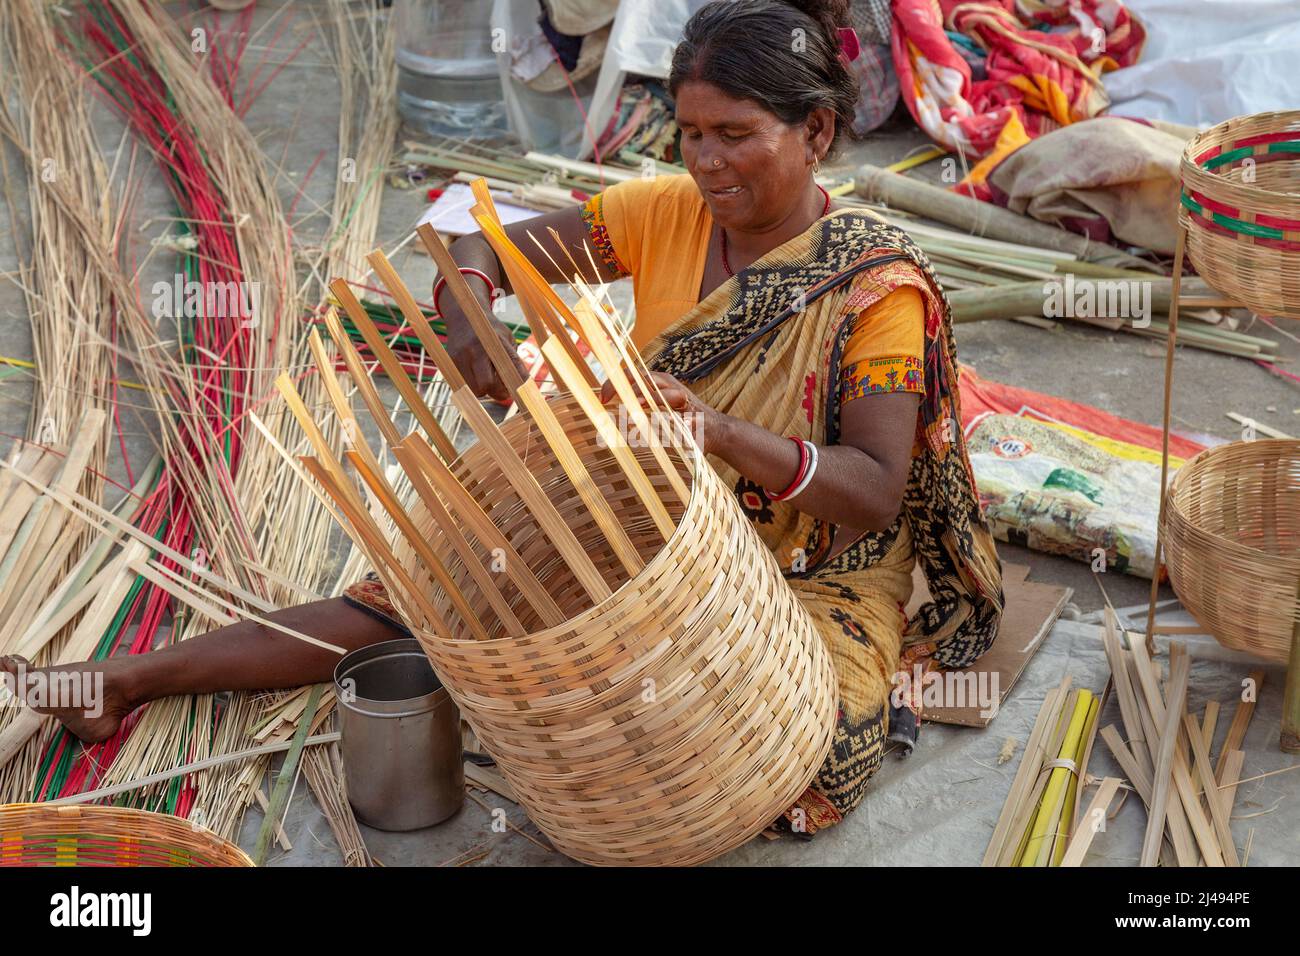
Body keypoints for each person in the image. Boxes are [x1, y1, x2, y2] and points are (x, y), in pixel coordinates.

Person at [1, 0, 1001, 835]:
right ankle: (122, 681)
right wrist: (474, 320)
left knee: (773, 739)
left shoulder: (875, 291)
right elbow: (468, 246)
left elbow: (872, 494)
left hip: (801, 563)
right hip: (653, 506)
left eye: (736, 134)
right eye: (691, 133)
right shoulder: (662, 214)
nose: (707, 162)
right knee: (432, 593)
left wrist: (722, 433)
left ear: (816, 132)